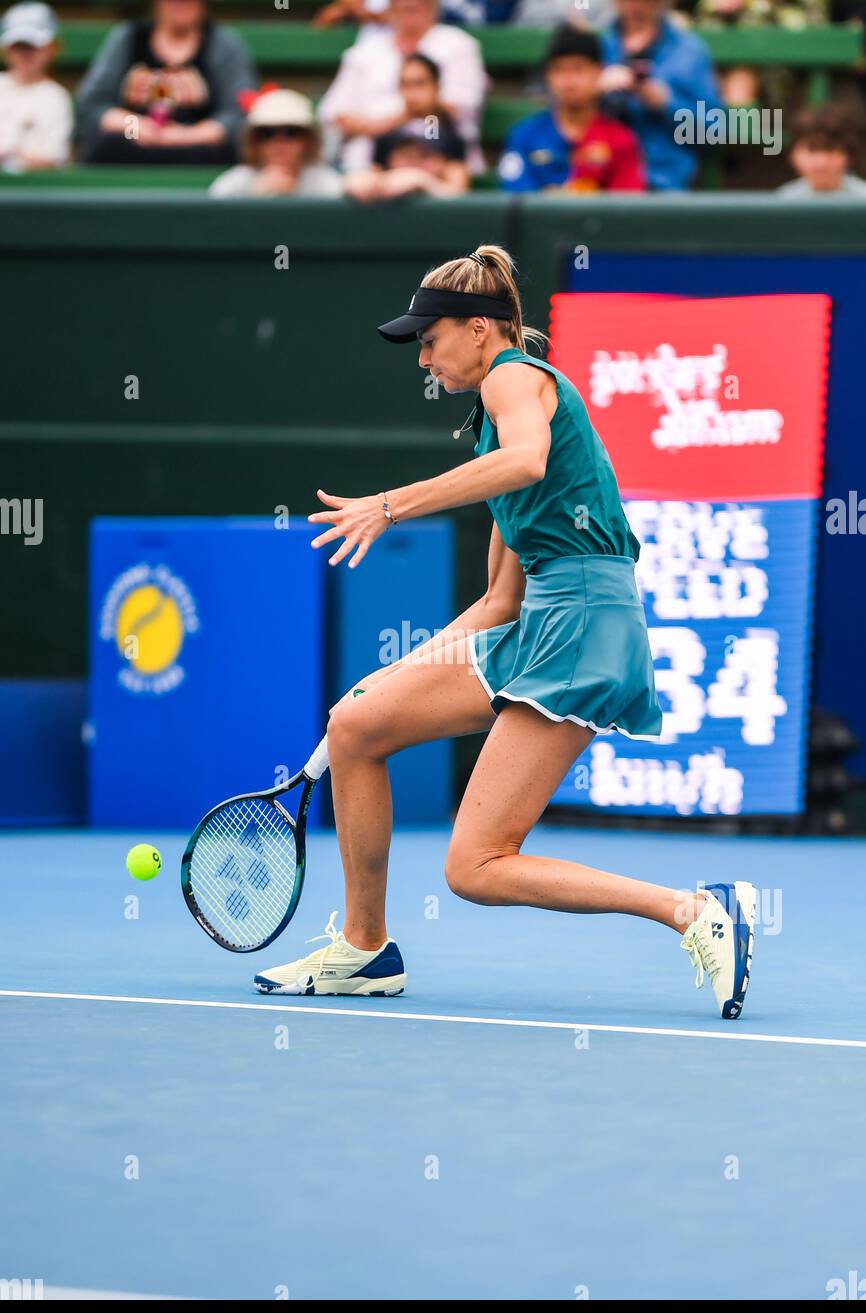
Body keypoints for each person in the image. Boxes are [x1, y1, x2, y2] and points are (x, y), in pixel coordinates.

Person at [251, 244, 757, 1023]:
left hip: (585, 625)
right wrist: (390, 675)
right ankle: (364, 950)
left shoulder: (515, 381)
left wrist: (389, 504)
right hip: (546, 618)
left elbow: (525, 461)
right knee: (358, 724)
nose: (423, 354)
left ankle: (693, 910)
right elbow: (496, 603)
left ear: (482, 330)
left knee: (475, 866)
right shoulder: (493, 429)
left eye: (431, 337)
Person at [76, 0, 256, 165]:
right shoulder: (128, 37)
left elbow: (238, 112)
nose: (180, 3)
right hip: (133, 146)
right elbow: (92, 104)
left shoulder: (225, 43)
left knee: (225, 155)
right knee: (105, 146)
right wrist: (136, 126)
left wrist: (186, 135)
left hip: (199, 150)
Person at [317, 0, 487, 173]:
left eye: (418, 4)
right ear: (390, 7)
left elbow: (456, 107)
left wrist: (380, 124)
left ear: (434, 6)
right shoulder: (365, 51)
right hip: (366, 167)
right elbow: (334, 114)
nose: (410, 4)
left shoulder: (458, 45)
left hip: (437, 163)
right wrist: (400, 118)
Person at [499, 26, 645, 193]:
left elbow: (626, 208)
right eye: (559, 70)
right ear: (547, 76)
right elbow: (516, 201)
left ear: (599, 72)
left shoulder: (621, 140)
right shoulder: (525, 136)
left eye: (578, 69)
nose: (568, 81)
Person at [600, 0, 721, 191]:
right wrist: (596, 90)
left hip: (664, 185)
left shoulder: (689, 52)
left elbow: (715, 134)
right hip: (600, 180)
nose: (636, 6)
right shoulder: (598, 46)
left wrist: (667, 103)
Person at [345, 53, 469, 200]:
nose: (412, 94)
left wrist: (420, 181)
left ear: (436, 87)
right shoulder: (388, 132)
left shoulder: (446, 132)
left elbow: (457, 192)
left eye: (420, 83)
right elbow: (370, 178)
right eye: (406, 84)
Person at [209, 88, 344, 198]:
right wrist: (255, 197)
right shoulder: (232, 185)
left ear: (308, 140)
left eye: (292, 132)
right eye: (267, 133)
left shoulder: (326, 184)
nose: (279, 142)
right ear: (254, 141)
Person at [0, 2, 72, 170]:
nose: (25, 54)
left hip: (35, 190)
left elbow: (54, 158)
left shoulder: (56, 97)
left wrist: (11, 154)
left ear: (52, 48)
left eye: (32, 47)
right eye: (17, 47)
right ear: (6, 50)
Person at [777, 104, 866, 198]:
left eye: (830, 150)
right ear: (793, 154)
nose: (821, 161)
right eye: (811, 150)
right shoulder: (783, 199)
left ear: (849, 155)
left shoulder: (862, 196)